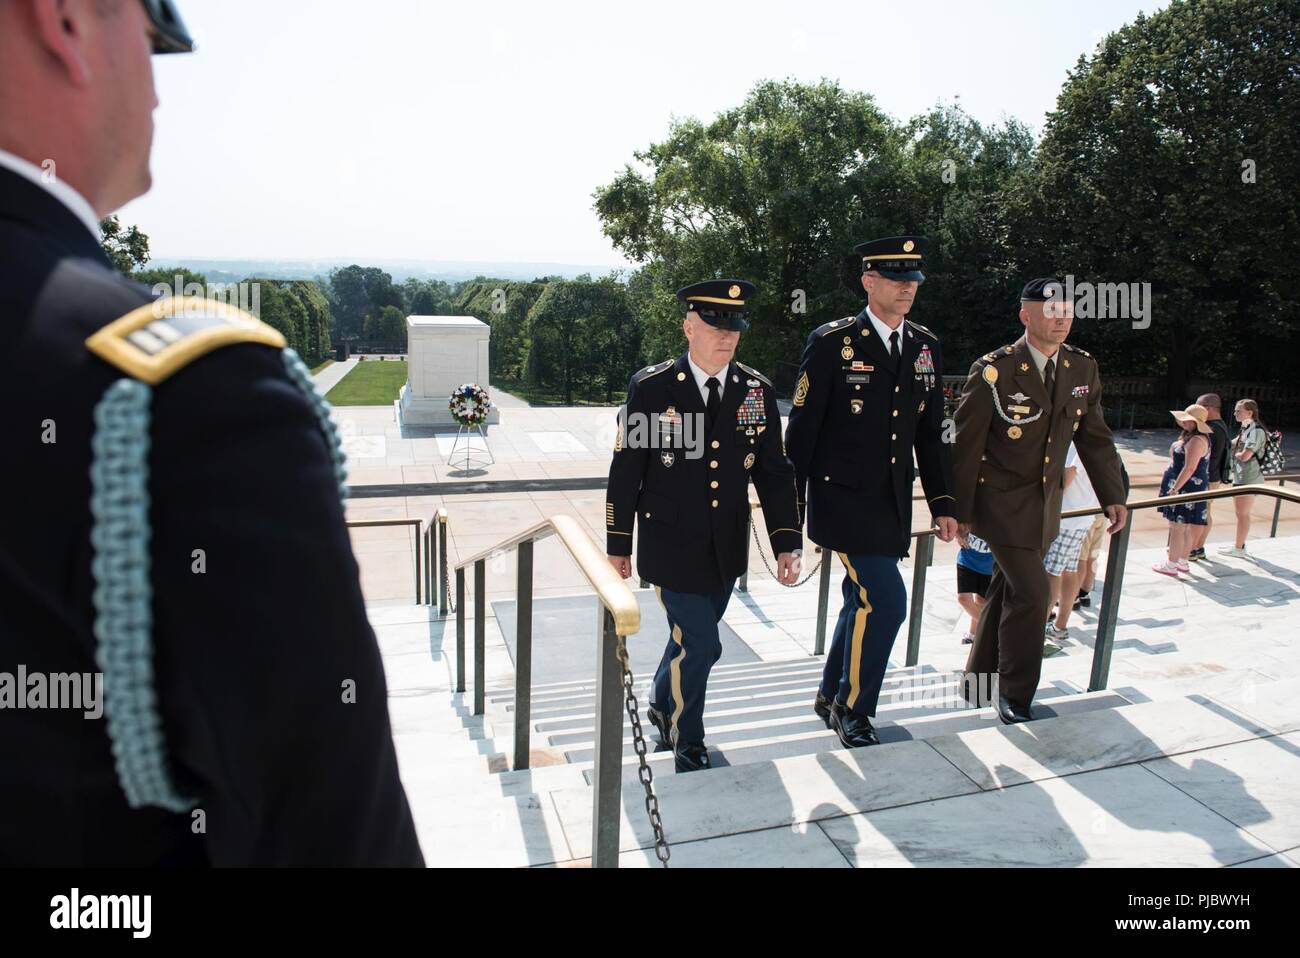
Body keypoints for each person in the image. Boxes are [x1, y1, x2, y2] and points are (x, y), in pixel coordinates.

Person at [0, 0, 422, 865]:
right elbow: (333, 829)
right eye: (146, 41)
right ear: (66, 21)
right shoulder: (191, 399)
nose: (155, 88)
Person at [605, 279, 802, 772]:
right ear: (689, 327)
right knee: (704, 644)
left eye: (735, 326)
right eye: (715, 324)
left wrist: (786, 541)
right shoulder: (652, 388)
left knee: (687, 640)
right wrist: (617, 543)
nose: (727, 335)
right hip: (669, 546)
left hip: (726, 548)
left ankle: (658, 700)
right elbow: (627, 469)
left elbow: (773, 473)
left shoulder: (755, 391)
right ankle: (686, 735)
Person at [784, 236, 957, 749]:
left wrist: (944, 501)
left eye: (913, 281)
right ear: (868, 281)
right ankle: (853, 708)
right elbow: (802, 433)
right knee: (886, 602)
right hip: (842, 501)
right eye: (896, 279)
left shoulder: (925, 345)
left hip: (892, 502)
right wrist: (789, 515)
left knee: (860, 599)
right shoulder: (832, 341)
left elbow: (931, 431)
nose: (907, 289)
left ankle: (827, 692)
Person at [953, 278, 1127, 724]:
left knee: (1006, 589)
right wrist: (959, 510)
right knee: (1032, 594)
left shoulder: (1081, 368)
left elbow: (1095, 437)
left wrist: (1113, 495)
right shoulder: (994, 369)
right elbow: (966, 445)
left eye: (1068, 310)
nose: (1062, 318)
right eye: (1051, 311)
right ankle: (1015, 694)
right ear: (1025, 316)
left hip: (1046, 506)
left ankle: (977, 683)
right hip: (999, 506)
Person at [1045, 442, 1100, 642]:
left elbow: (1067, 477)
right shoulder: (1090, 439)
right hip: (1081, 515)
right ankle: (1060, 625)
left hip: (1067, 517)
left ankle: (1038, 628)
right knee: (1068, 569)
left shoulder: (1073, 441)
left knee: (1052, 572)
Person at [1152, 405, 1211, 576]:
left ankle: (1172, 564)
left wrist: (1175, 488)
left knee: (1178, 527)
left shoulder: (1197, 440)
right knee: (1183, 527)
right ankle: (1182, 562)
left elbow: (1190, 468)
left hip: (1185, 488)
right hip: (1187, 486)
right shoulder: (1194, 438)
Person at [1221, 398, 1269, 558]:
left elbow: (1246, 455)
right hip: (1242, 477)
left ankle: (1239, 548)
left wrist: (1234, 454)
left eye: (1238, 411)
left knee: (1242, 513)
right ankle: (1239, 545)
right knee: (1241, 513)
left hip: (1249, 478)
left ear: (1250, 412)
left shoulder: (1255, 431)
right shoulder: (1247, 428)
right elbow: (1232, 443)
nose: (1235, 413)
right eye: (1235, 410)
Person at [1189, 393, 1231, 561]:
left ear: (1207, 409)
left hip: (1207, 477)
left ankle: (1194, 548)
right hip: (1212, 477)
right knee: (1205, 512)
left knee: (1201, 514)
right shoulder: (1220, 426)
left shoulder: (1212, 429)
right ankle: (1197, 547)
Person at [955, 534, 993, 645]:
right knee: (964, 599)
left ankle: (972, 635)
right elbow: (956, 518)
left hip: (990, 565)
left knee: (981, 601)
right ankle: (992, 628)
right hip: (967, 559)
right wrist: (958, 533)